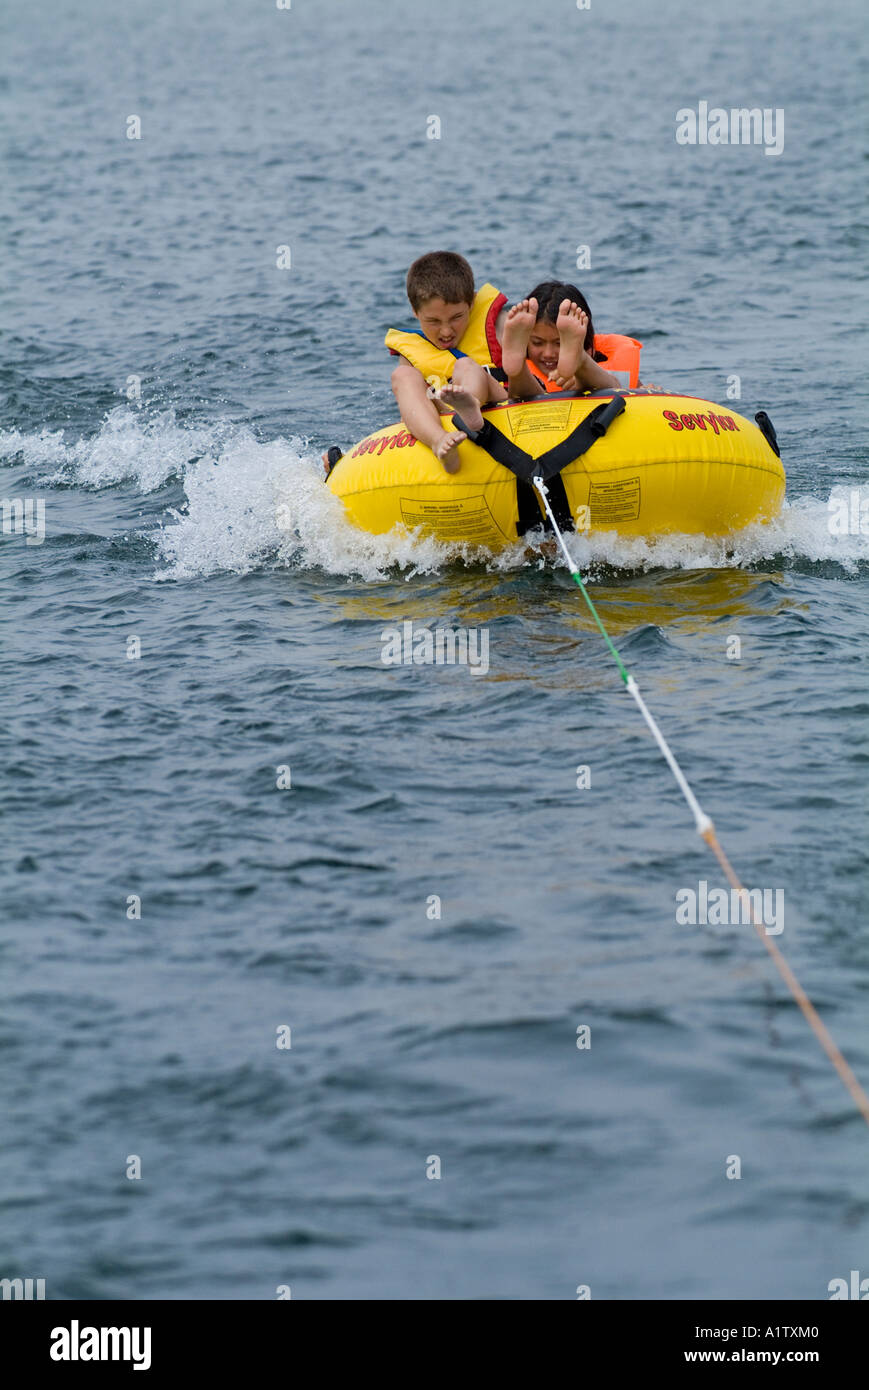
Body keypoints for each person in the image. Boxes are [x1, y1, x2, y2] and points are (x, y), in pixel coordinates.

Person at [386, 251, 509, 473]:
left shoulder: (501, 324)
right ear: (415, 311)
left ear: (471, 302)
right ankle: (439, 441)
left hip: (495, 399)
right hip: (446, 413)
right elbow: (409, 409)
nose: (446, 331)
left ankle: (469, 404)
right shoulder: (411, 354)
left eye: (456, 317)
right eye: (433, 321)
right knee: (402, 376)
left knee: (466, 366)